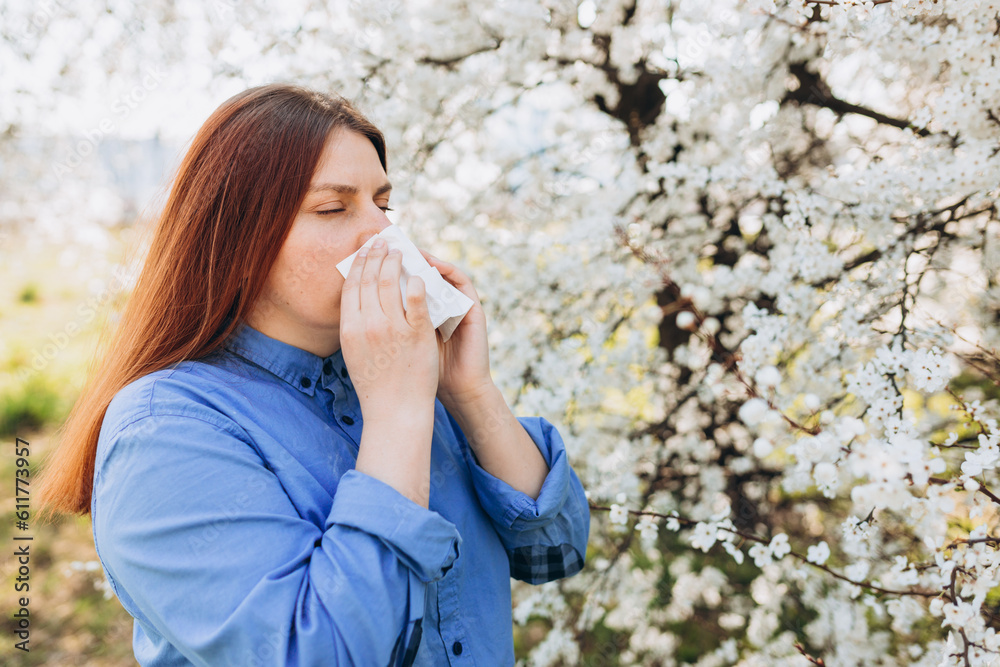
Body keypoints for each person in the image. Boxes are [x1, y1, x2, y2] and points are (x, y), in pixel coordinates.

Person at [36, 83, 590, 666]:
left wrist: (469, 392)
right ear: (241, 236)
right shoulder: (165, 429)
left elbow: (555, 551)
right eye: (333, 207)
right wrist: (398, 412)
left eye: (384, 204)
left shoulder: (399, 369)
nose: (382, 232)